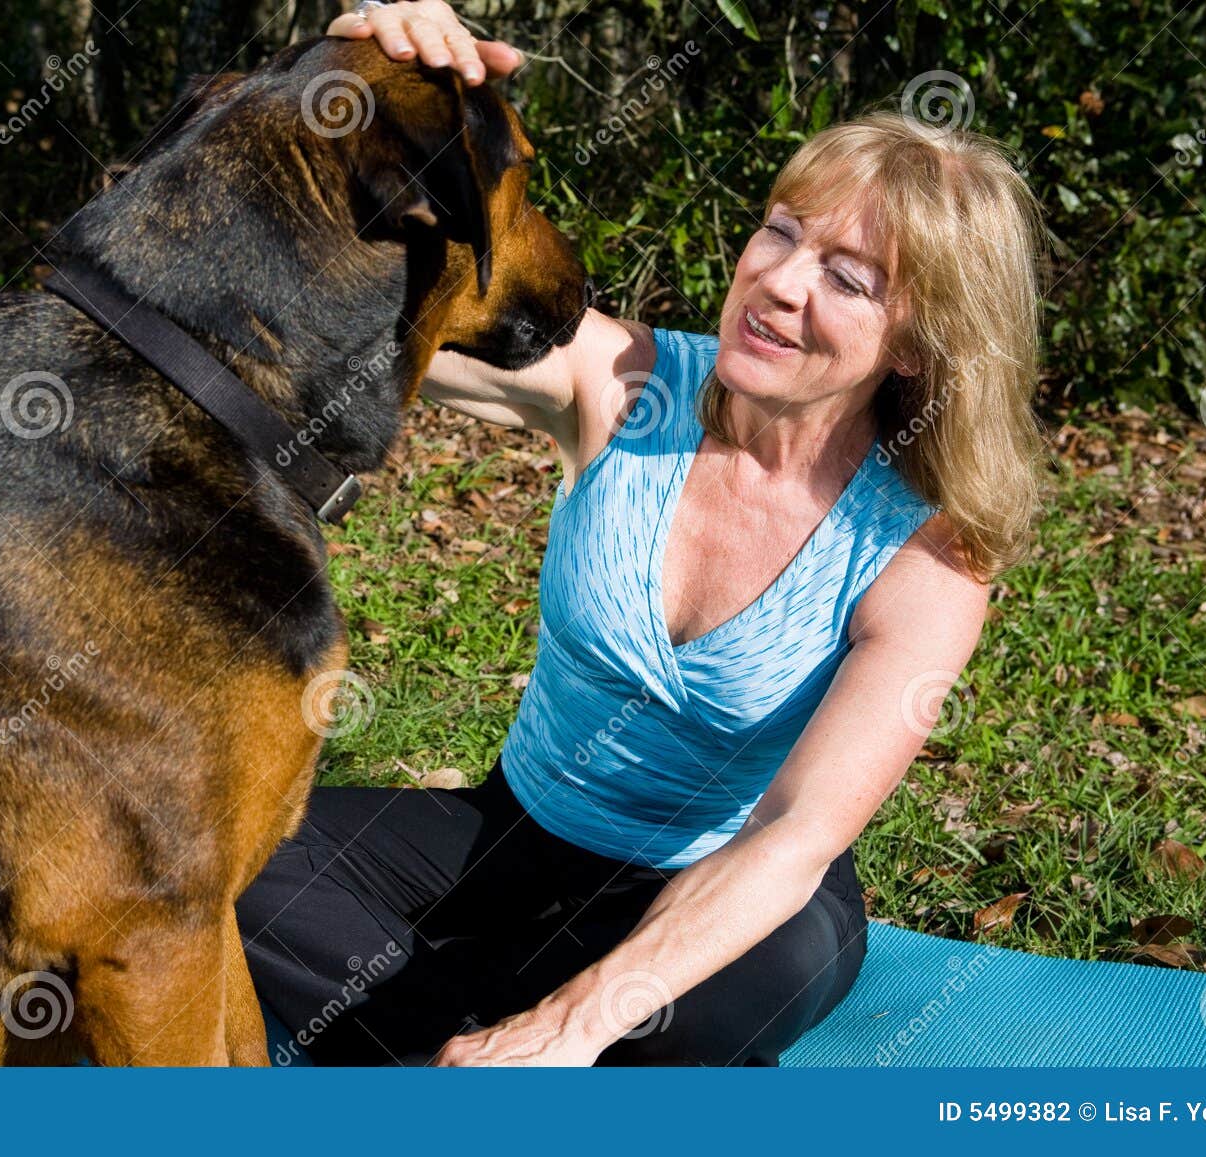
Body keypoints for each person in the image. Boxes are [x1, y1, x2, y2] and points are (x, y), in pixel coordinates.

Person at [237, 0, 1048, 1066]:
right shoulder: (617, 383)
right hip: (516, 837)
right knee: (221, 874)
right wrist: (344, 84)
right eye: (780, 231)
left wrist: (570, 1024)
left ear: (915, 345)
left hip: (734, 884)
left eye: (848, 280)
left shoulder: (927, 551)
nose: (779, 283)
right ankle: (487, 1057)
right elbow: (328, 315)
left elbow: (795, 834)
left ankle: (506, 1044)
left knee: (694, 1023)